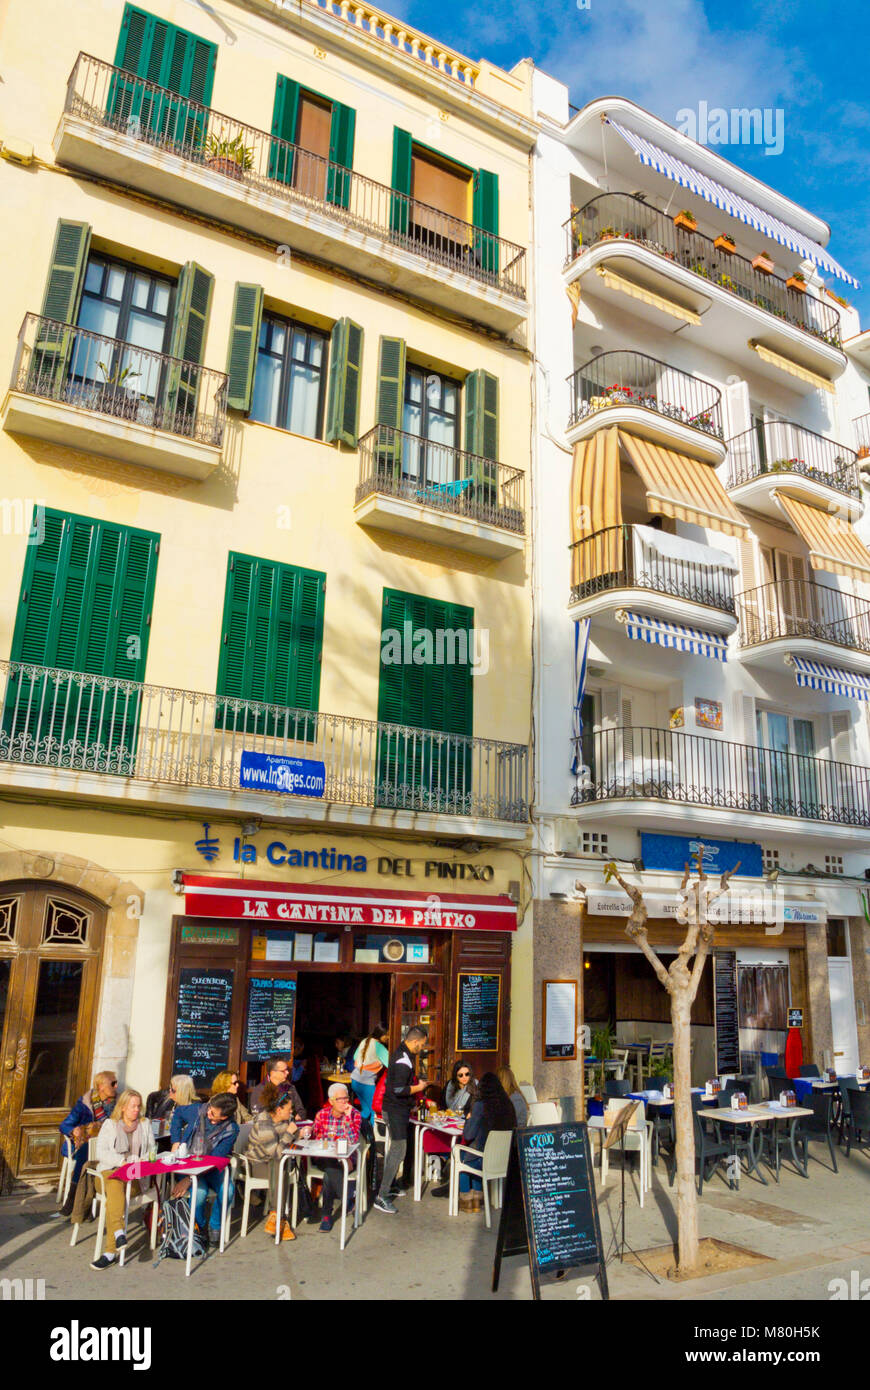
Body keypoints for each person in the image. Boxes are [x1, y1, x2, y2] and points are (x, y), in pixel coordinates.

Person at [90, 1088, 153, 1270]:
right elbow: (101, 1152)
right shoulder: (110, 1124)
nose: (136, 1110)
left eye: (138, 1106)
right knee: (113, 1181)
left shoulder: (145, 1124)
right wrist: (122, 1161)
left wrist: (141, 1160)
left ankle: (112, 1249)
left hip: (133, 1178)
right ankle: (118, 1234)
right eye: (133, 1106)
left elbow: (151, 1150)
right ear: (123, 1107)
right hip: (108, 1174)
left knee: (115, 1193)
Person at [374, 1026, 429, 1215]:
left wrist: (411, 1103)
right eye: (421, 1044)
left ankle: (389, 1186)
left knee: (396, 1151)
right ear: (415, 1041)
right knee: (399, 1150)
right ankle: (381, 1196)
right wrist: (419, 1087)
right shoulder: (403, 1060)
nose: (421, 1048)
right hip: (394, 1111)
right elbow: (398, 1089)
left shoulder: (402, 1053)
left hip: (398, 1109)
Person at [175, 1092, 239, 1245]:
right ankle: (199, 1227)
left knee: (228, 1191)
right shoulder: (198, 1111)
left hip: (210, 1168)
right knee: (200, 1192)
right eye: (210, 1108)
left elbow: (214, 1160)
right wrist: (175, 1141)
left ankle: (215, 1226)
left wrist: (190, 1180)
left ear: (224, 1117)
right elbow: (178, 1112)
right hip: (187, 1166)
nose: (208, 1113)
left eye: (213, 1113)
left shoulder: (231, 1129)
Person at [245, 1083, 301, 1241]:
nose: (292, 1112)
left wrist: (299, 1133)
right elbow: (276, 1152)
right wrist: (290, 1134)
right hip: (255, 1164)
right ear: (278, 1110)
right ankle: (279, 1218)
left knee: (280, 1167)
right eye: (289, 1109)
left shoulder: (281, 1121)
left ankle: (275, 1218)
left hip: (271, 1163)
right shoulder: (264, 1122)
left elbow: (285, 1140)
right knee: (279, 1165)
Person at [58, 1070, 117, 1213]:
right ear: (101, 1086)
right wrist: (74, 1131)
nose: (116, 1087)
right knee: (85, 1151)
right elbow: (64, 1125)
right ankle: (72, 1199)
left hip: (107, 1146)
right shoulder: (84, 1105)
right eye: (113, 1083)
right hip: (84, 1147)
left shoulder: (117, 1105)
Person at [457, 1072, 516, 1213]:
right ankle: (477, 1199)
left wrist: (469, 1119)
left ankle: (467, 1200)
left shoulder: (480, 1106)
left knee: (460, 1154)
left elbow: (469, 1134)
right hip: (503, 1159)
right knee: (477, 1154)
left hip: (483, 1159)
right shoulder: (508, 1105)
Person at [311, 1083, 362, 1232]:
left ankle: (326, 1216)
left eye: (346, 1098)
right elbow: (315, 1139)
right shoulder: (322, 1114)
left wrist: (347, 1119)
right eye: (340, 1099)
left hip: (347, 1159)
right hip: (325, 1158)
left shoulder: (355, 1115)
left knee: (329, 1173)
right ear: (331, 1101)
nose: (344, 1102)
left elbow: (353, 1140)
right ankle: (348, 1199)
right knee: (330, 1166)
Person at [350, 1025, 389, 1121]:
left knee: (366, 1110)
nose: (389, 1037)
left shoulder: (365, 1041)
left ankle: (356, 1128)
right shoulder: (379, 1047)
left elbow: (355, 1057)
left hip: (355, 1080)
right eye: (388, 1035)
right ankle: (372, 1135)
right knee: (373, 1112)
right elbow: (390, 1064)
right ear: (382, 1035)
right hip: (366, 1083)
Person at [168, 1075, 201, 1149]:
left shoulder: (194, 1109)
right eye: (170, 1088)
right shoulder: (173, 1103)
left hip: (188, 1147)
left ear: (182, 1092)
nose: (170, 1091)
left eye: (173, 1090)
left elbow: (177, 1140)